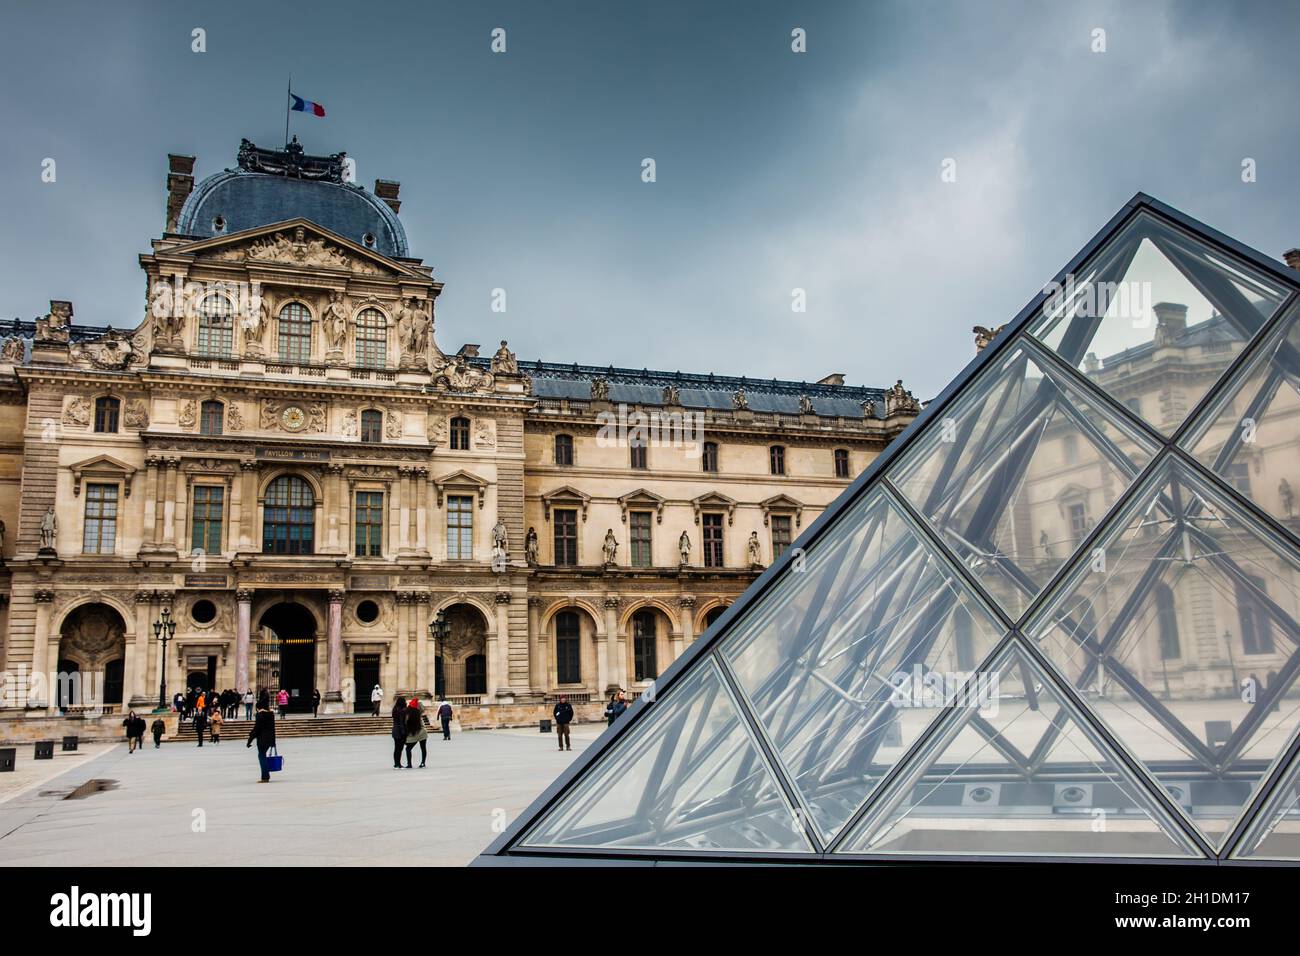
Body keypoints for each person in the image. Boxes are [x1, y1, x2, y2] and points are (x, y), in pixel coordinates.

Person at [246, 691, 277, 783]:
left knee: (261, 756)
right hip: (269, 739)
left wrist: (249, 740)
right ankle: (266, 774)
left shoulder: (260, 715)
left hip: (262, 740)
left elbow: (257, 729)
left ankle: (265, 776)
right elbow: (272, 728)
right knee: (262, 755)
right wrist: (273, 741)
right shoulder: (271, 715)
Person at [404, 698, 428, 768]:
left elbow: (405, 723)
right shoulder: (418, 712)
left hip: (413, 733)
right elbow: (423, 708)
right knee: (423, 748)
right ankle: (423, 763)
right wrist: (418, 702)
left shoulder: (408, 714)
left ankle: (409, 764)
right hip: (422, 732)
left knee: (408, 749)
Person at [391, 696, 408, 769]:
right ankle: (399, 764)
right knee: (400, 748)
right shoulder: (402, 710)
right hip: (400, 731)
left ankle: (396, 764)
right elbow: (401, 722)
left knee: (396, 748)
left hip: (395, 730)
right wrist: (403, 732)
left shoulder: (394, 709)